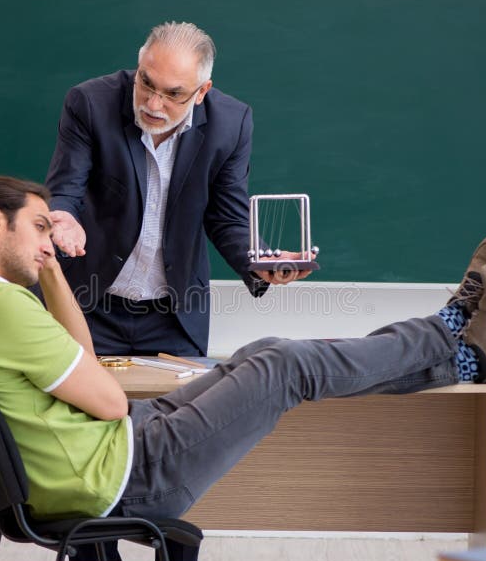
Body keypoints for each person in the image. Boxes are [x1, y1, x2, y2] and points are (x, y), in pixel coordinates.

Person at [0, 176, 486, 561]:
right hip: (127, 473)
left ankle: (465, 357)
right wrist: (46, 274)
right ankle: (446, 331)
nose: (50, 242)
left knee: (262, 351)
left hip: (106, 453)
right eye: (41, 228)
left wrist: (49, 271)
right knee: (284, 366)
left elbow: (86, 364)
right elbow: (105, 396)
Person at [43, 21, 311, 357]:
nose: (154, 105)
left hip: (174, 317)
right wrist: (62, 217)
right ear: (139, 68)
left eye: (173, 94)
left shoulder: (230, 124)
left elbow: (227, 218)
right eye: (146, 83)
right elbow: (65, 189)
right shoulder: (90, 103)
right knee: (81, 408)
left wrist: (262, 261)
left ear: (202, 91)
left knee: (176, 410)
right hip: (85, 304)